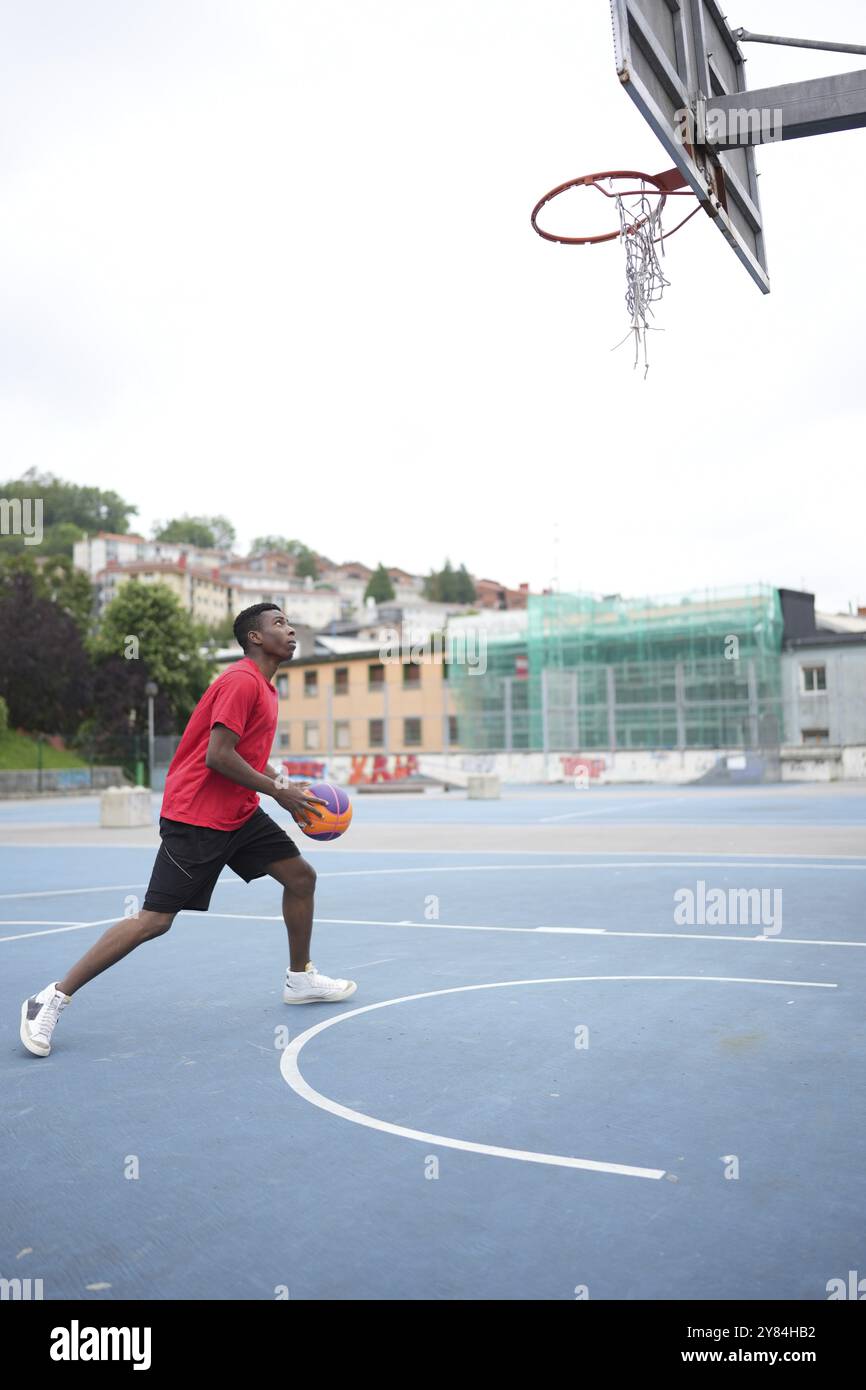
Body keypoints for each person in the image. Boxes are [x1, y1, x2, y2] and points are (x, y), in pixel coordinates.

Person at [20, 603, 356, 1058]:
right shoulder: (240, 682)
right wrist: (280, 795)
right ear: (254, 637)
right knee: (154, 921)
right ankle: (52, 996)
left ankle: (300, 978)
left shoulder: (266, 688)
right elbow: (217, 756)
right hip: (197, 817)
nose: (291, 629)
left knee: (301, 878)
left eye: (289, 622)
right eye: (279, 623)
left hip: (237, 812)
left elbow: (248, 757)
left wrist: (285, 787)